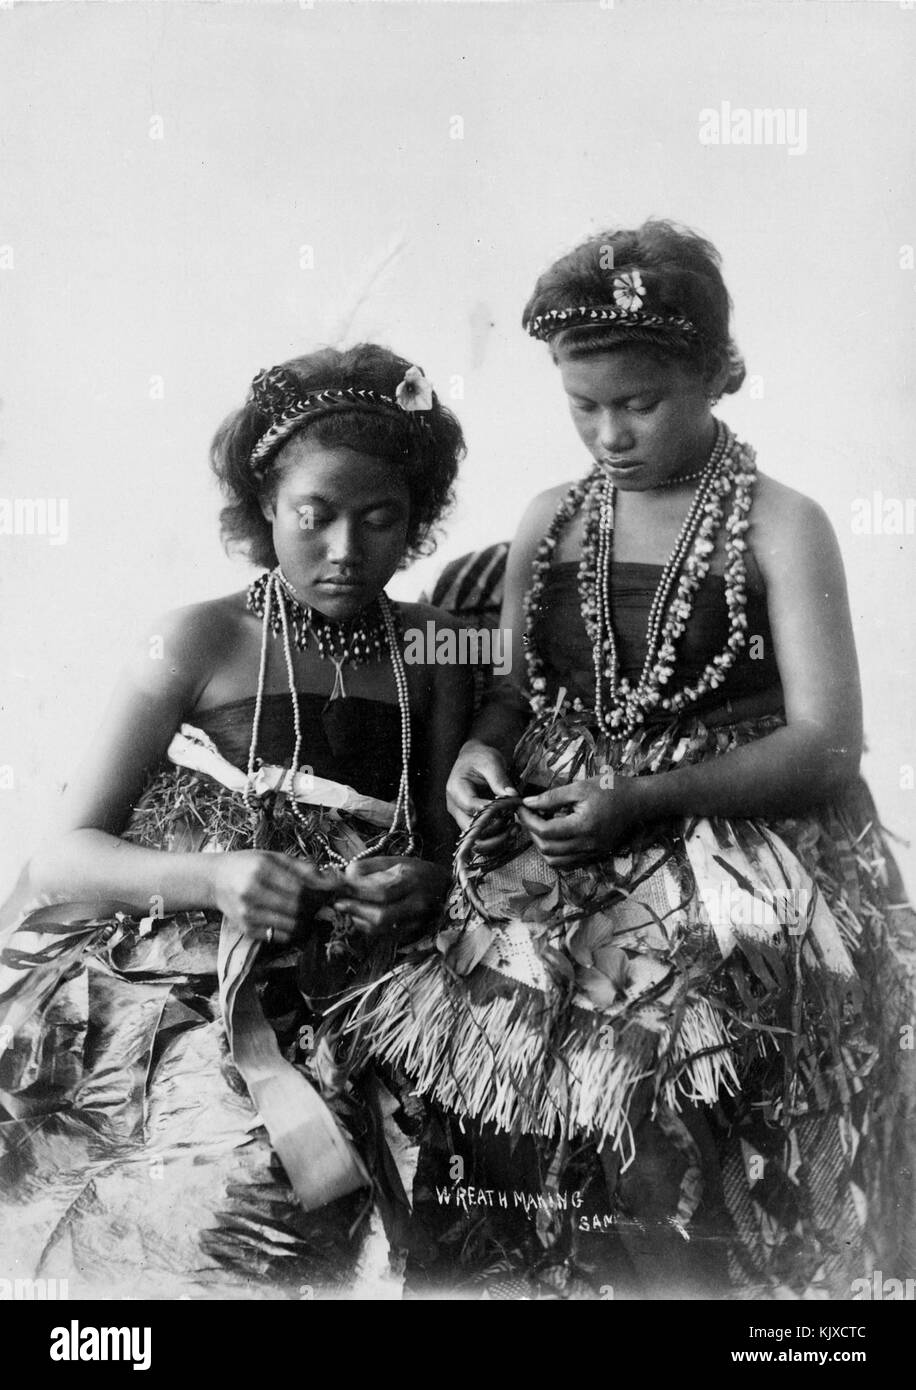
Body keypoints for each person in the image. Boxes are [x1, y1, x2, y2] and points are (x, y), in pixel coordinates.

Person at [345, 223, 916, 1299]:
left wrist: (640, 798)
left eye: (638, 403)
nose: (607, 432)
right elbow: (518, 690)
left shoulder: (782, 527)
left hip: (742, 856)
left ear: (713, 374)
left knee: (671, 1102)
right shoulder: (549, 521)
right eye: (581, 405)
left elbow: (827, 742)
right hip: (565, 839)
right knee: (492, 1082)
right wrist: (480, 748)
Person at [0, 343, 472, 1299]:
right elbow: (61, 855)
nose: (347, 550)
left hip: (366, 985)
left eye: (381, 519)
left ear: (416, 522)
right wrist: (216, 878)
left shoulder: (440, 648)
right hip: (183, 976)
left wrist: (427, 883)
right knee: (232, 1194)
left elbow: (440, 841)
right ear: (263, 505)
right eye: (317, 515)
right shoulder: (198, 637)